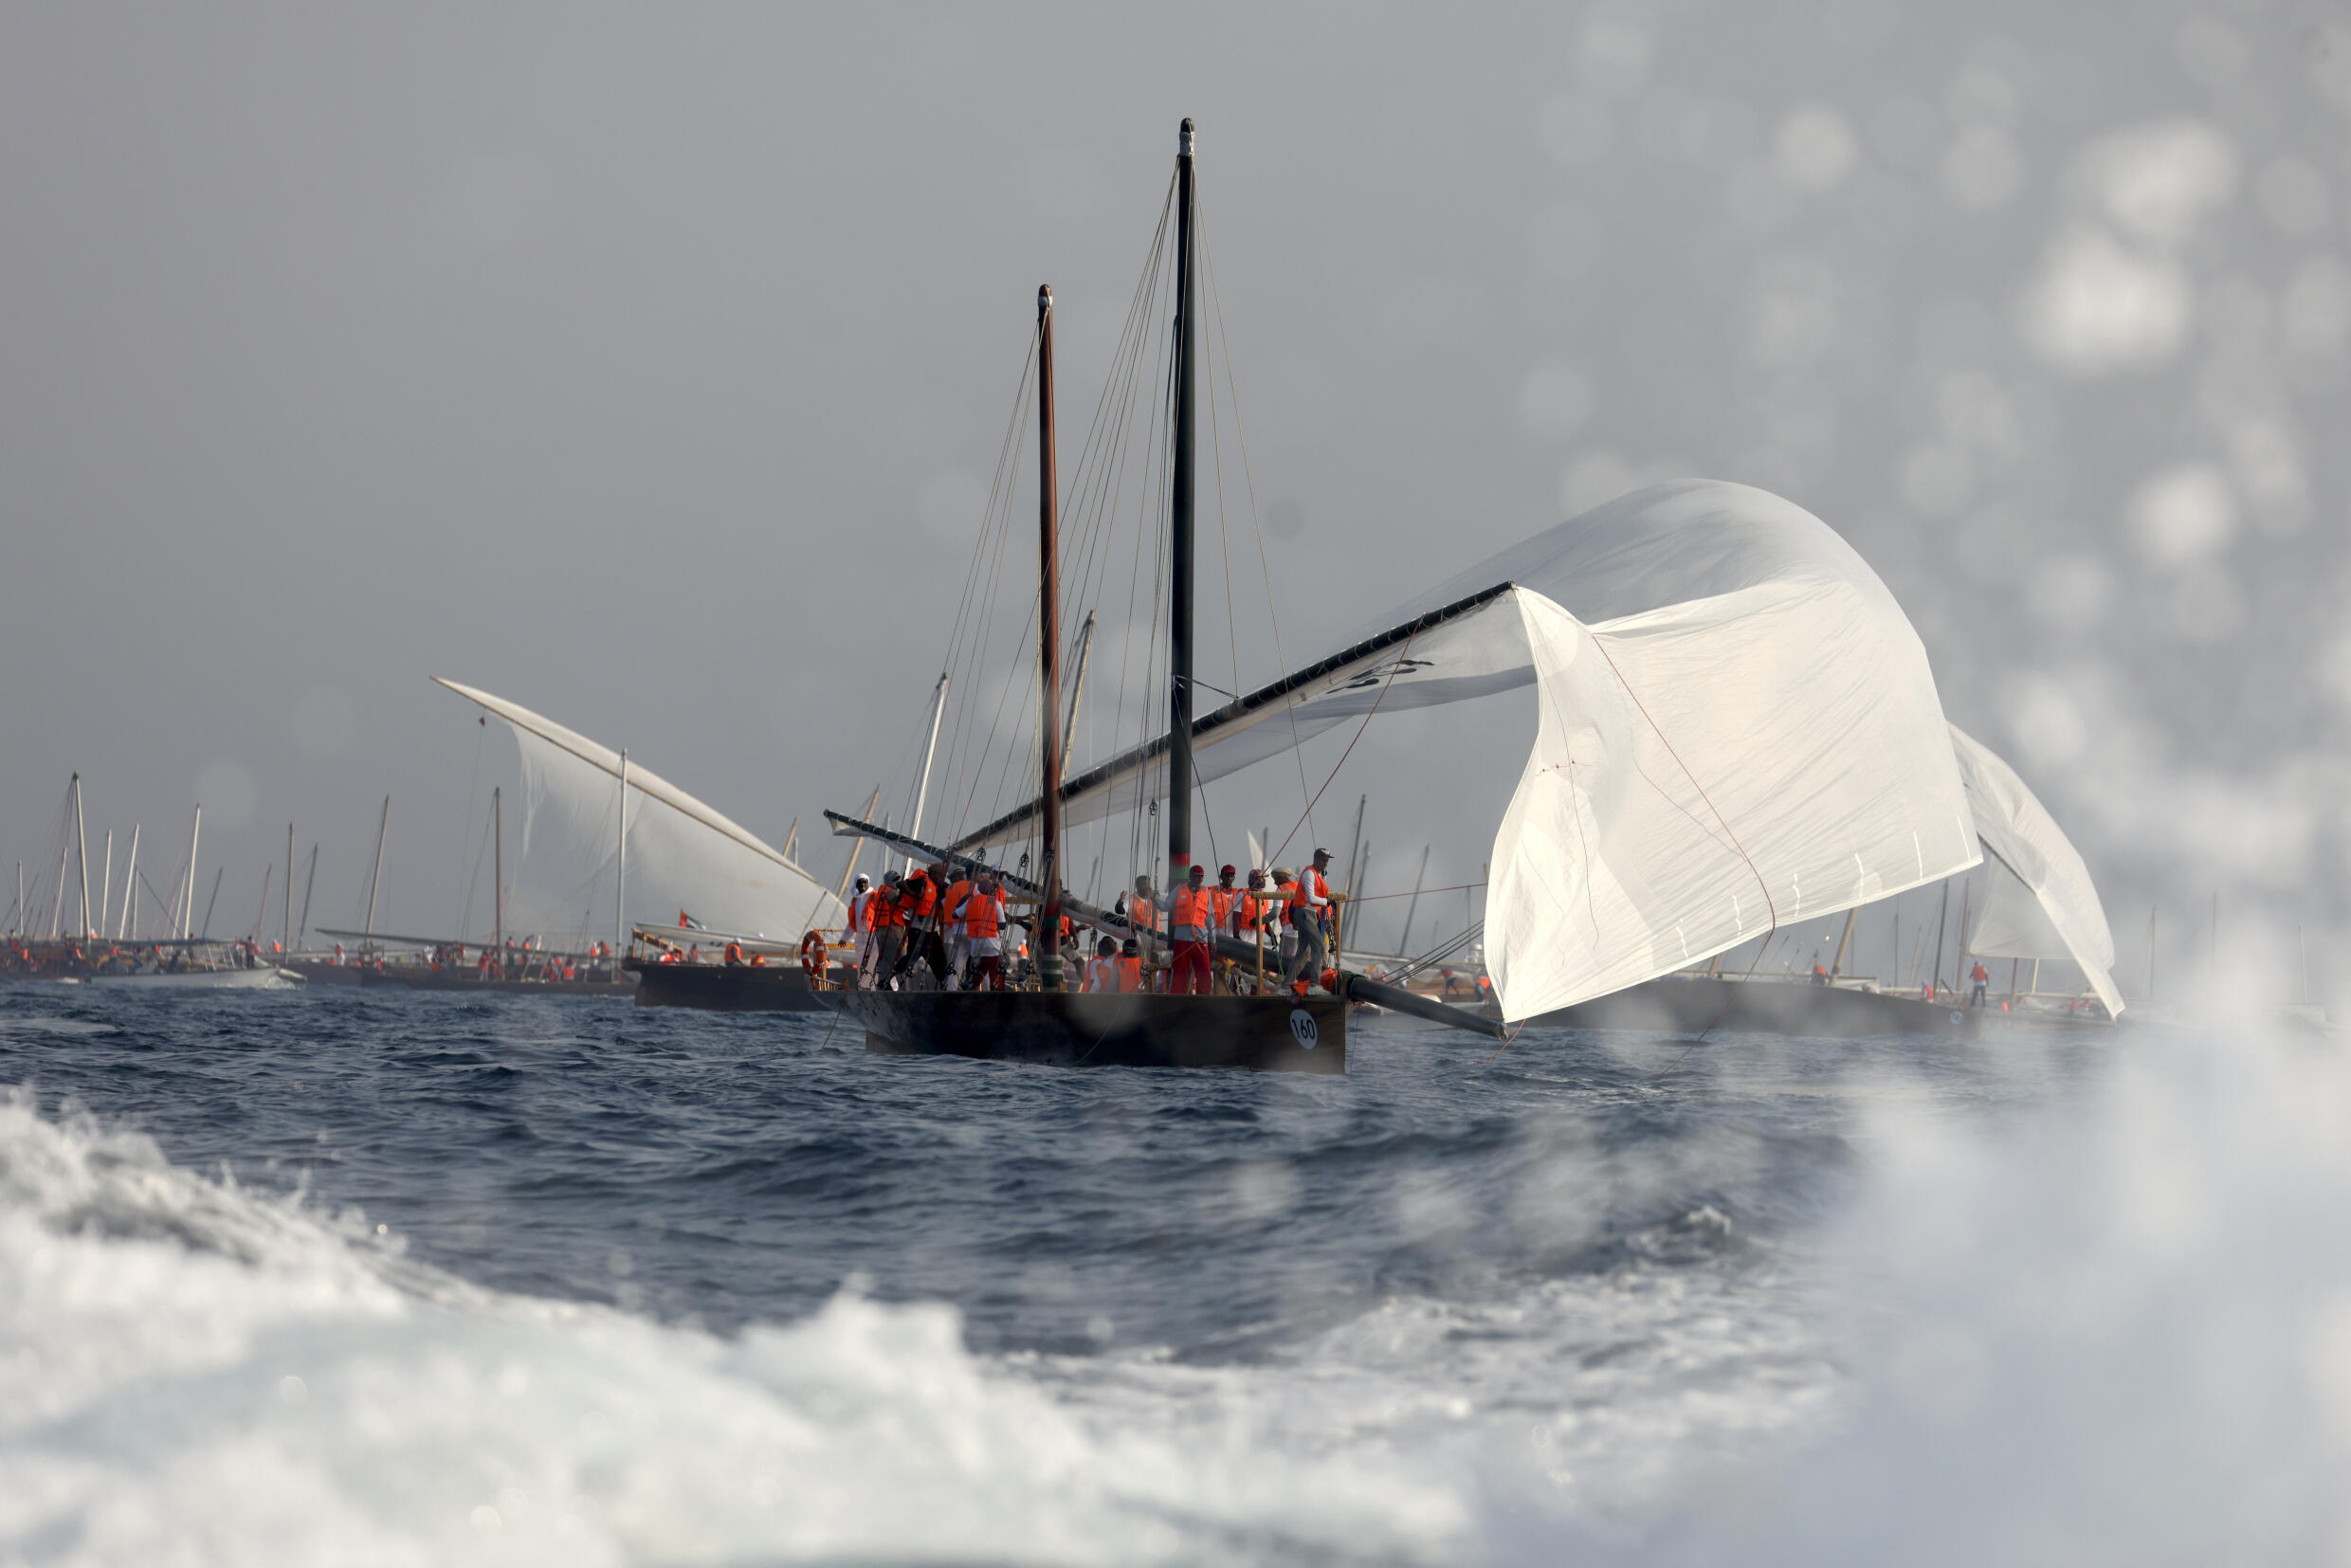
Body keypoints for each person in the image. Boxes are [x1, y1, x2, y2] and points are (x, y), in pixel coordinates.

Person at [1159, 864, 1216, 995]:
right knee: (1180, 971)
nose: (1199, 879)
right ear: (1190, 877)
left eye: (1201, 877)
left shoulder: (1206, 893)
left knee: (1204, 971)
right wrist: (1154, 897)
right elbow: (1165, 906)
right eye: (1196, 877)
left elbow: (1210, 918)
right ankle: (1177, 997)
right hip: (1182, 938)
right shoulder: (1179, 890)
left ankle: (1204, 998)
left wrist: (1213, 940)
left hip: (1200, 938)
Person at [1285, 848, 1334, 990]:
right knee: (1318, 948)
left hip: (1311, 914)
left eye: (1327, 861)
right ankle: (1314, 986)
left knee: (1302, 953)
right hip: (1305, 913)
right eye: (1324, 860)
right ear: (1316, 859)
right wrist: (1326, 901)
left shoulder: (1318, 876)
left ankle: (1285, 986)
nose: (1326, 863)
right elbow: (1311, 898)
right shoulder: (1309, 874)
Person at [959, 874, 1008, 990]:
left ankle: (972, 986)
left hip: (975, 946)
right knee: (996, 971)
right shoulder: (996, 903)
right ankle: (996, 993)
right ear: (991, 890)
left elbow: (955, 914)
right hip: (992, 945)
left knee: (980, 968)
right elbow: (1002, 925)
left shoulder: (970, 901)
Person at [845, 873, 875, 972]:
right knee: (861, 964)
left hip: (873, 936)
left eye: (864, 881)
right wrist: (844, 939)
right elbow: (852, 923)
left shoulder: (875, 896)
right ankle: (863, 986)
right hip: (859, 938)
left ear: (868, 883)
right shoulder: (855, 901)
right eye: (859, 882)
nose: (862, 884)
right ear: (856, 885)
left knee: (874, 963)